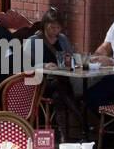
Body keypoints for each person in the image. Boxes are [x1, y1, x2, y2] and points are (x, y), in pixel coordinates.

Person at [27, 9, 85, 138]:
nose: (55, 31)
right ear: (45, 25)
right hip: (40, 83)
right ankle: (80, 123)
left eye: (58, 28)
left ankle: (64, 135)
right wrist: (44, 65)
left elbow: (71, 58)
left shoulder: (62, 39)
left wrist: (68, 62)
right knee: (61, 89)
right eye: (52, 27)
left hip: (61, 79)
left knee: (60, 93)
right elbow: (25, 65)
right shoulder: (34, 41)